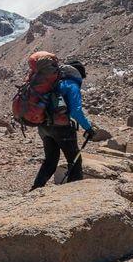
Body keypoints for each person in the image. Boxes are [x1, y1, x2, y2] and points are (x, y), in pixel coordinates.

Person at [28, 54, 105, 190]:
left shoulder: (54, 83)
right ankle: (73, 192)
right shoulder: (72, 85)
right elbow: (76, 111)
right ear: (78, 74)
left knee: (50, 161)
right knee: (75, 161)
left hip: (44, 127)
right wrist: (88, 128)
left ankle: (35, 189)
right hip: (61, 128)